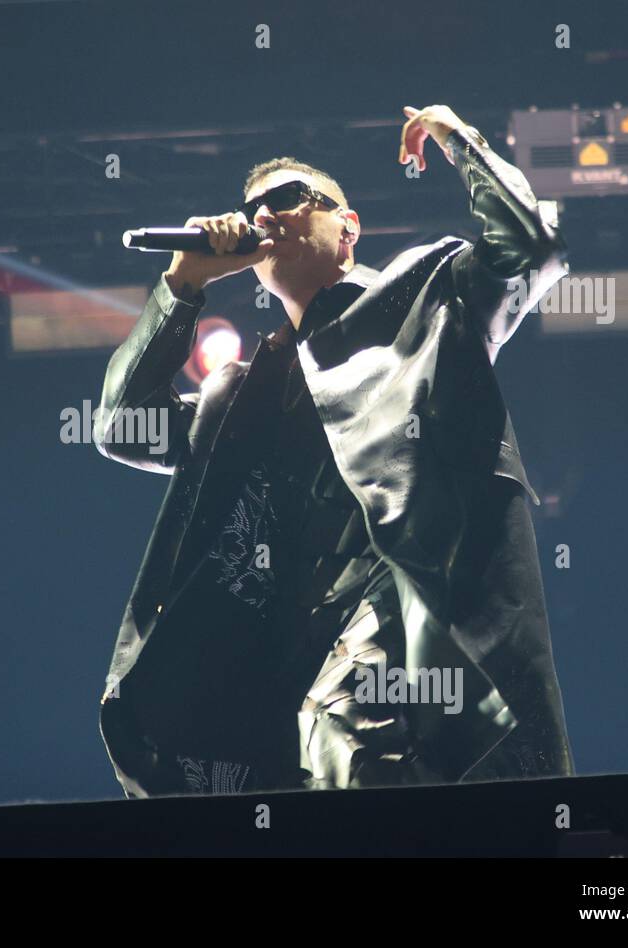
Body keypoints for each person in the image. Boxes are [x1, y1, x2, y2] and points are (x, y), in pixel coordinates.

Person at [93, 105, 575, 797]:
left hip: (411, 623)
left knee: (353, 729)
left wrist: (455, 137)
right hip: (284, 656)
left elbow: (531, 246)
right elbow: (120, 425)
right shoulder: (238, 397)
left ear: (348, 227)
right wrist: (181, 288)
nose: (266, 216)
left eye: (289, 199)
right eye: (253, 209)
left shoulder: (427, 301)